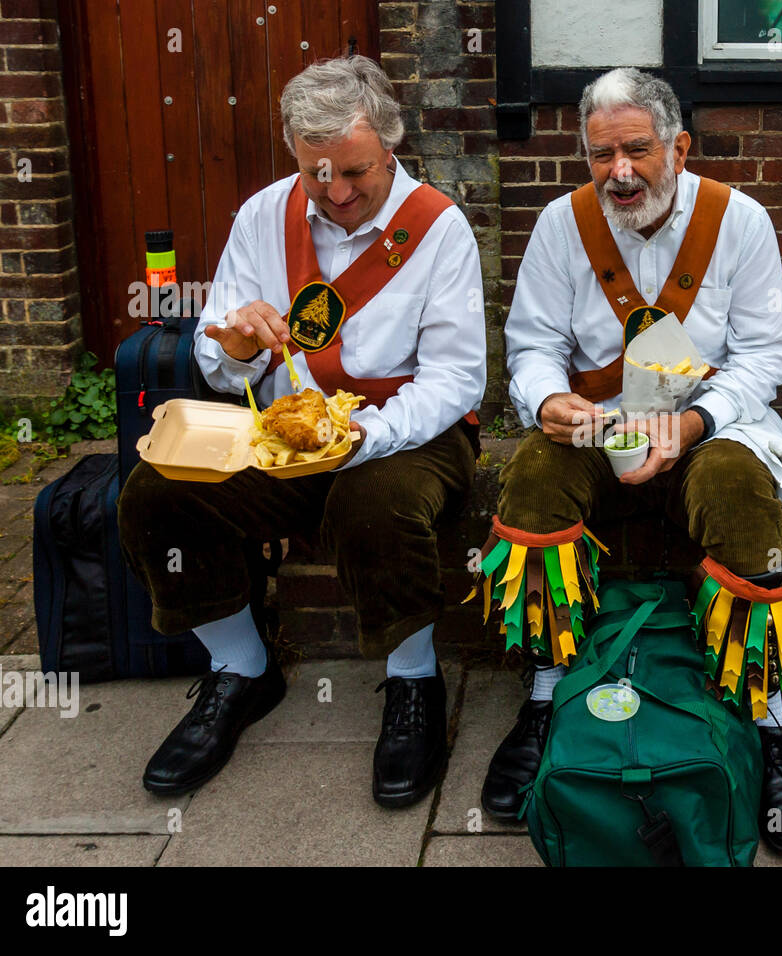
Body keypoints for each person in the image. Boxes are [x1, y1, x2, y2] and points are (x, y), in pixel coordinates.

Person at [465, 67, 782, 856]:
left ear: (678, 144)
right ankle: (544, 691)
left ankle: (770, 718)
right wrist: (548, 404)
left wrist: (697, 422)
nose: (621, 172)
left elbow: (767, 354)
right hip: (600, 429)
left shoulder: (740, 222)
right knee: (531, 477)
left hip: (710, 428)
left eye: (638, 150)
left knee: (741, 495)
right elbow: (533, 346)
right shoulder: (561, 225)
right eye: (602, 155)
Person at [117, 55, 486, 808]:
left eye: (354, 172)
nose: (336, 193)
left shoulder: (440, 229)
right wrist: (238, 346)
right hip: (282, 434)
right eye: (317, 173)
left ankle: (413, 684)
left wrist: (361, 437)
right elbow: (219, 369)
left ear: (391, 146)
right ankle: (242, 671)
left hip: (410, 431)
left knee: (372, 501)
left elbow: (455, 381)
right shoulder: (261, 216)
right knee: (157, 491)